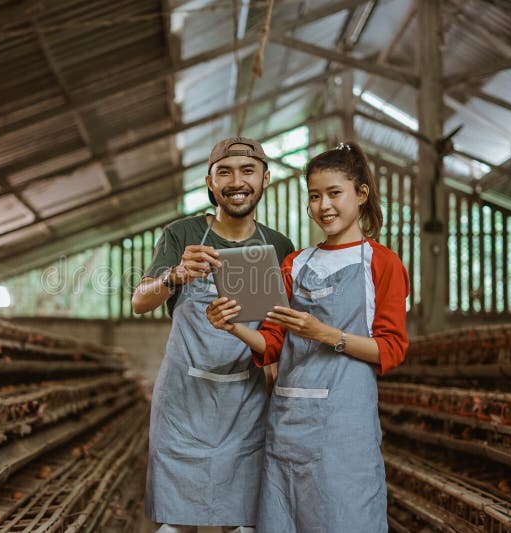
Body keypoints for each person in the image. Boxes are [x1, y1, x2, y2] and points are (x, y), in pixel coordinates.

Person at [206, 142, 409, 532]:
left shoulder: (382, 263)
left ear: (361, 194)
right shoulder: (293, 263)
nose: (323, 206)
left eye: (334, 193)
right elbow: (272, 344)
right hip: (288, 425)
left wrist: (325, 334)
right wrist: (232, 326)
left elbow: (392, 349)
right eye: (314, 196)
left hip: (345, 431)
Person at [133, 137, 295, 532]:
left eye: (247, 171)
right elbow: (139, 301)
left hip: (247, 404)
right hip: (183, 403)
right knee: (176, 524)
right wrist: (176, 275)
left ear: (265, 179)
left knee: (241, 522)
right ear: (210, 182)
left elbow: (279, 328)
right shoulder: (182, 233)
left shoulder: (278, 246)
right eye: (225, 172)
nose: (236, 182)